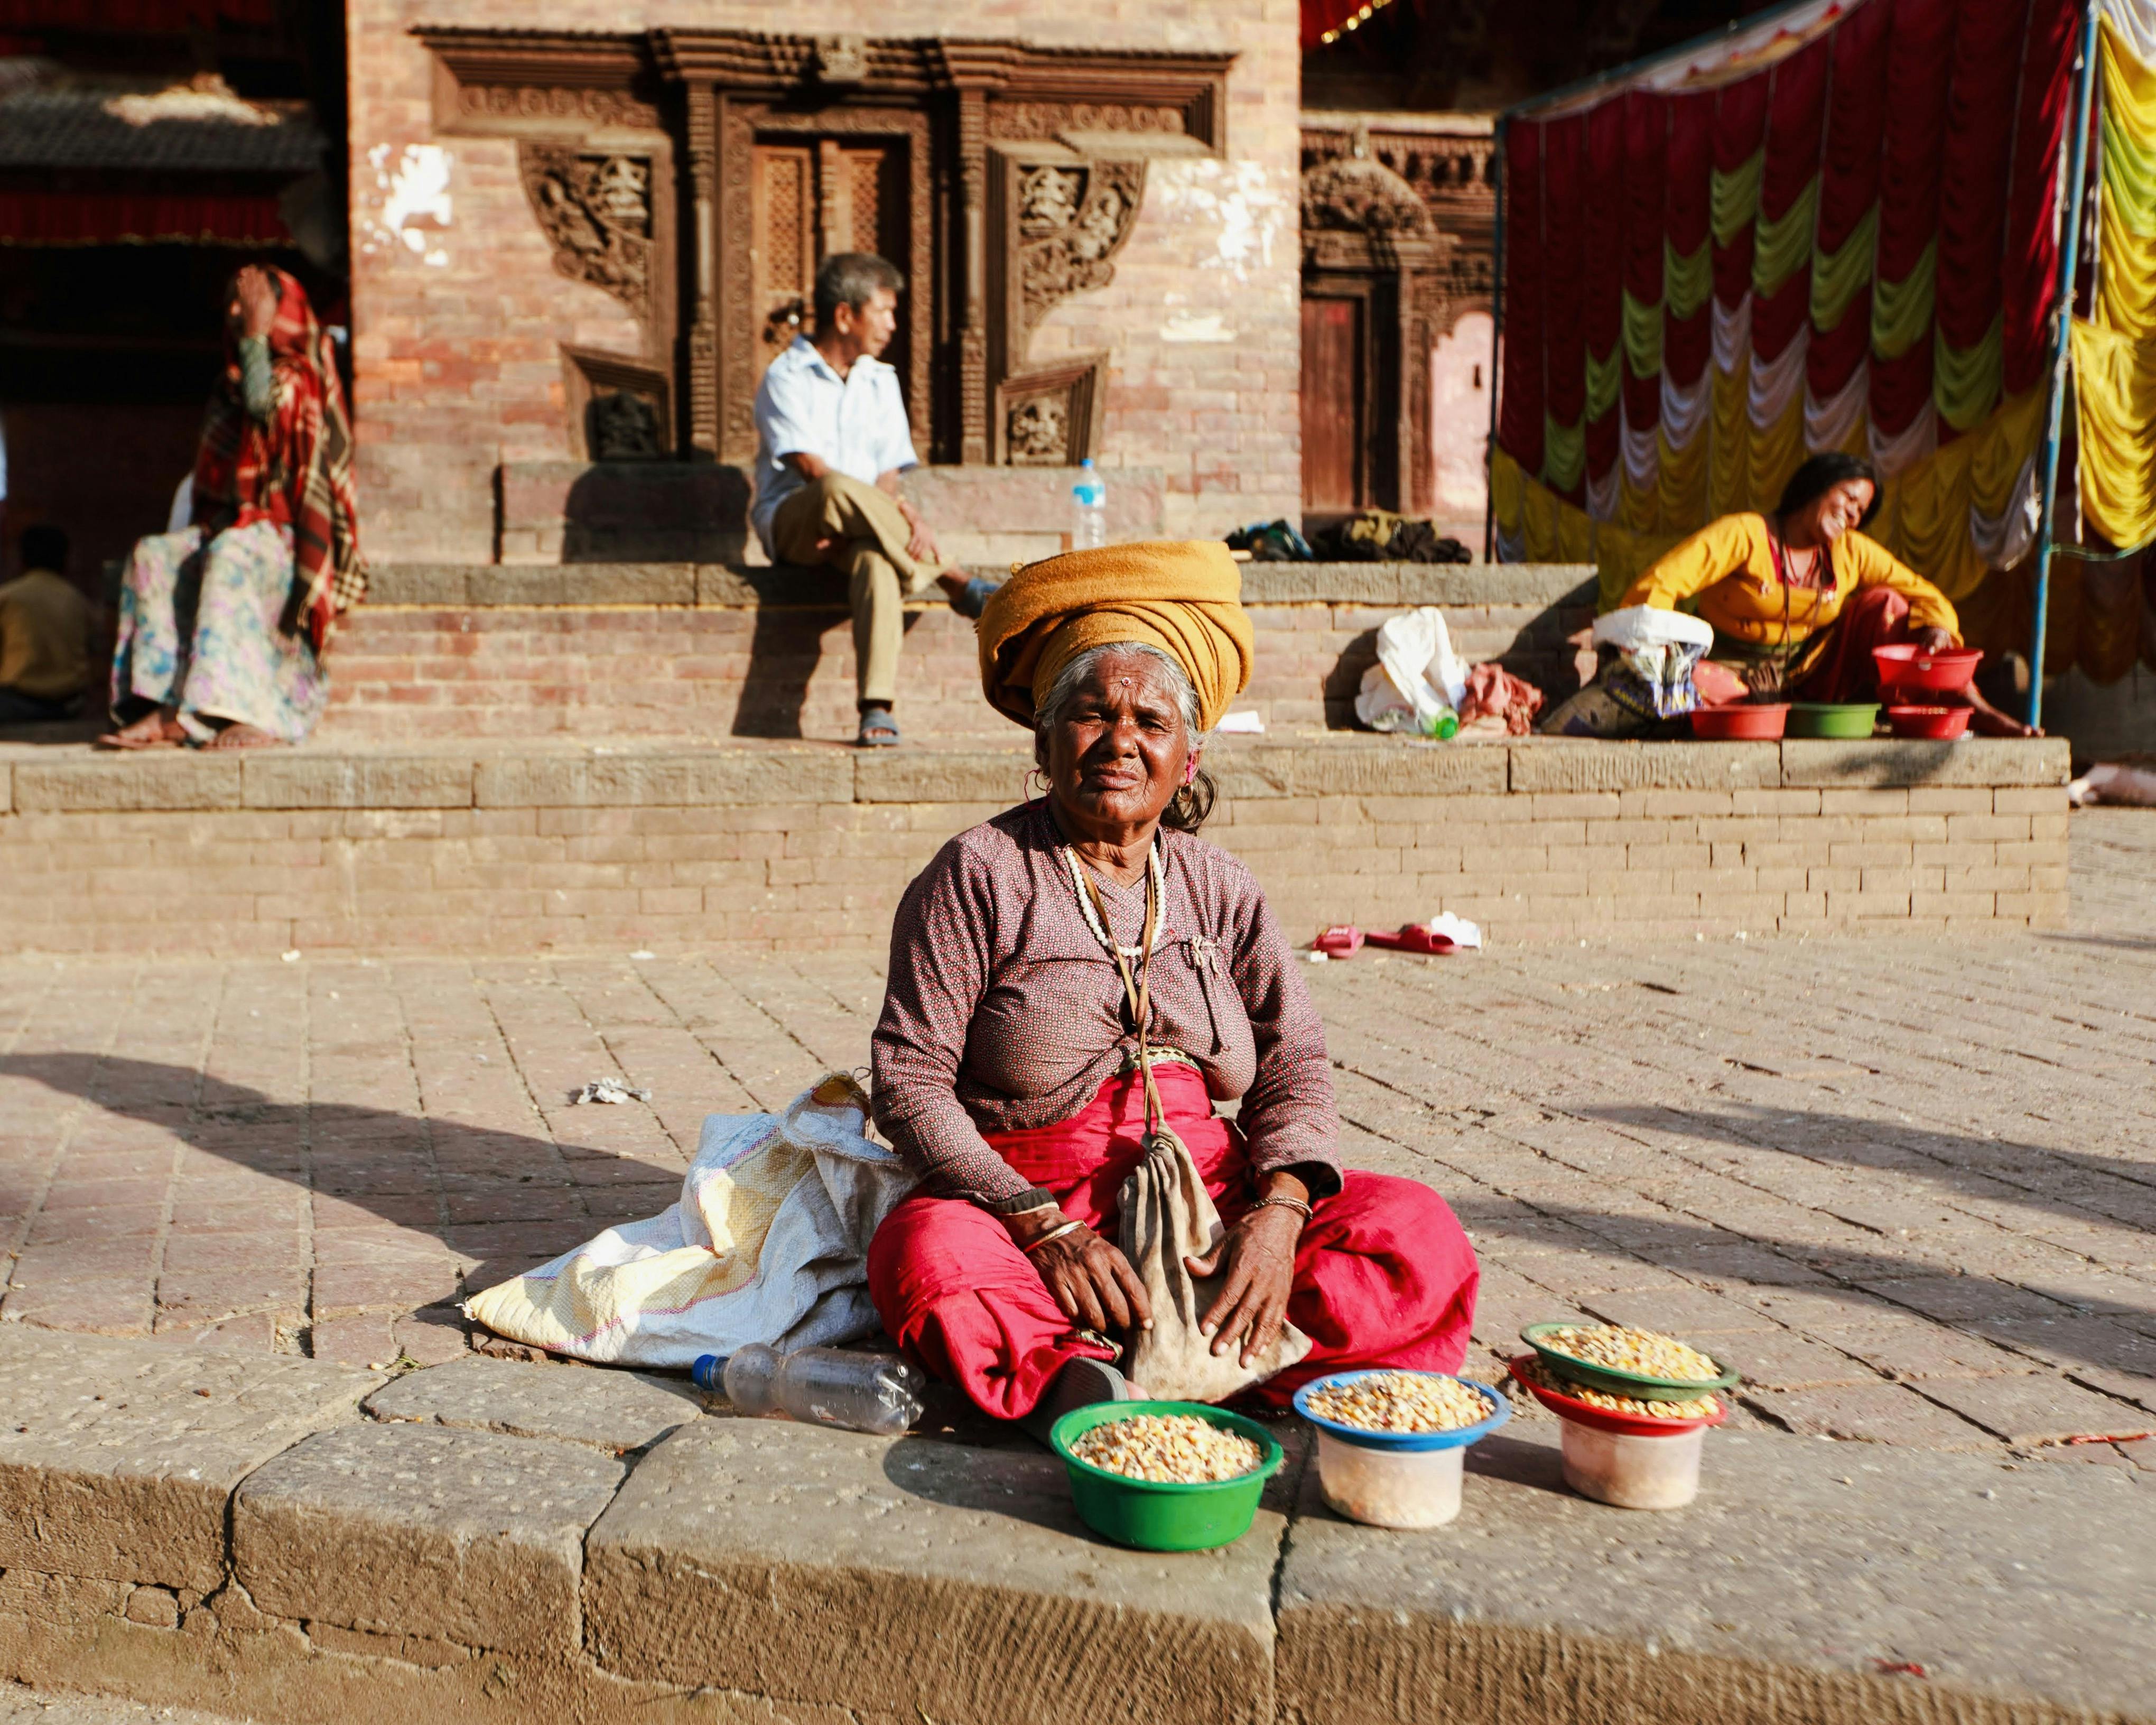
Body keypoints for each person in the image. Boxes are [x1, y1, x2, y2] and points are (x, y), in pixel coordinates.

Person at [866, 540, 1480, 1436]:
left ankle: (1206, 1343)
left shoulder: (1220, 884)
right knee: (924, 1251)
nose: (1121, 741)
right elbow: (909, 1078)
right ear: (1044, 743)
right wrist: (1041, 1225)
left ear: (1187, 759)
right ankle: (1079, 1374)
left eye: (1152, 722)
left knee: (1416, 1231)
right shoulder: (980, 870)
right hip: (1034, 1207)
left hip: (1218, 1204)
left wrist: (1277, 1211)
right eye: (1089, 714)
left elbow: (1292, 1059)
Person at [100, 264, 364, 750]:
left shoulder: (301, 375)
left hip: (287, 535)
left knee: (233, 551)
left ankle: (241, 711)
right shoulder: (231, 384)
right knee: (155, 554)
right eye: (235, 305)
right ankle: (166, 707)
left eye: (252, 303)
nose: (239, 313)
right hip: (237, 524)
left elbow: (266, 407)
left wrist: (257, 337)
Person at [751, 252, 995, 749]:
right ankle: (954, 579)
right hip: (798, 520)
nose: (892, 324)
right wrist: (900, 519)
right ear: (846, 315)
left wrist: (899, 509)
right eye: (883, 311)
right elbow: (810, 470)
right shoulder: (785, 376)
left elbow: (886, 477)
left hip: (858, 530)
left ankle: (876, 709)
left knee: (876, 563)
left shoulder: (881, 381)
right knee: (835, 489)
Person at [1621, 453, 2037, 734]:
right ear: (1817, 486)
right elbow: (1661, 582)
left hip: (1814, 675)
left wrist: (1937, 631)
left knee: (1886, 605)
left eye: (1861, 512)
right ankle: (1747, 705)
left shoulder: (1849, 551)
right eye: (1848, 497)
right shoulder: (1745, 533)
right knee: (1684, 679)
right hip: (1729, 674)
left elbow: (1927, 596)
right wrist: (1655, 647)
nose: (1852, 514)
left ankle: (1953, 710)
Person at [0, 526, 97, 725]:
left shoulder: (9, 596)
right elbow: (93, 652)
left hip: (14, 702)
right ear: (66, 559)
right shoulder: (77, 600)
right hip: (69, 703)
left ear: (22, 558)